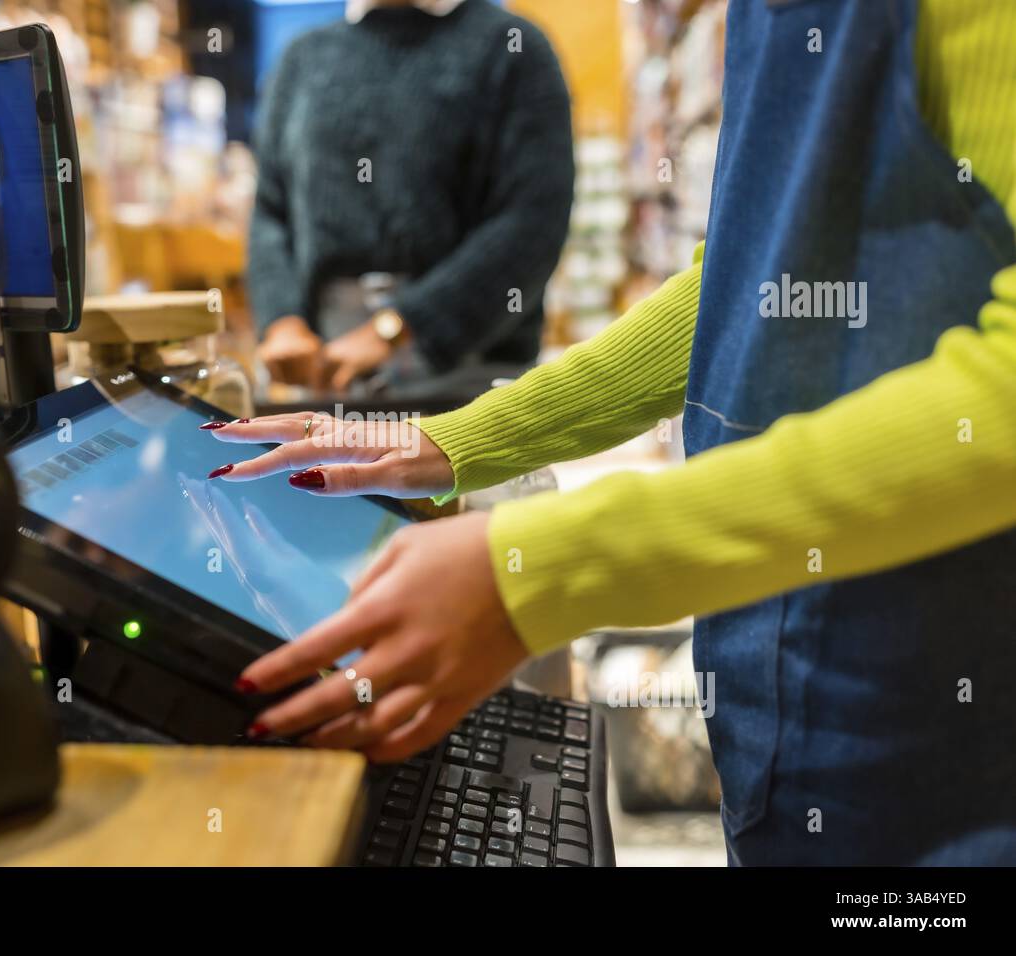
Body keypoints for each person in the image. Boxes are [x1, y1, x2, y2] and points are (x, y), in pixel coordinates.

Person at [208, 0, 1016, 866]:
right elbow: (744, 285)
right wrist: (453, 442)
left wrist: (548, 568)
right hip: (802, 713)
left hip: (960, 733)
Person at [247, 0, 574, 396]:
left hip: (473, 378)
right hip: (328, 375)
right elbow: (269, 210)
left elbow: (534, 219)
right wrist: (283, 321)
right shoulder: (301, 57)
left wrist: (399, 329)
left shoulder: (514, 48)